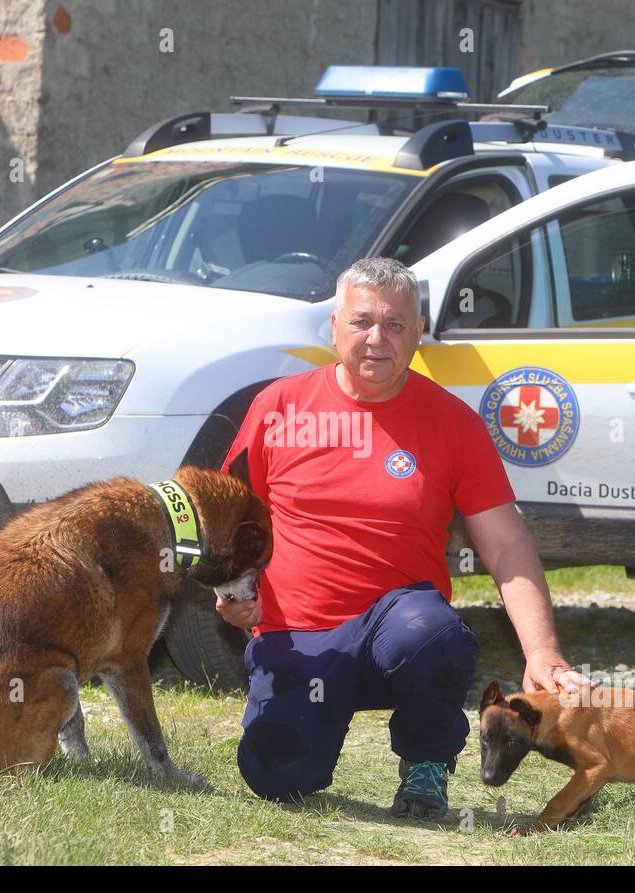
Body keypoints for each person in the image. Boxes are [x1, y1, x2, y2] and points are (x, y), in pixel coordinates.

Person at [217, 257, 589, 819]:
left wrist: (543, 653)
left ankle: (426, 764)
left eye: (394, 325)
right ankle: (307, 724)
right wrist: (229, 590)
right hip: (299, 633)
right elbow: (230, 517)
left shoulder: (453, 423)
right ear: (334, 326)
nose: (376, 339)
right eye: (362, 322)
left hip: (399, 635)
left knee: (433, 632)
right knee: (277, 776)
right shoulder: (279, 406)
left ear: (419, 331)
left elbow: (508, 548)